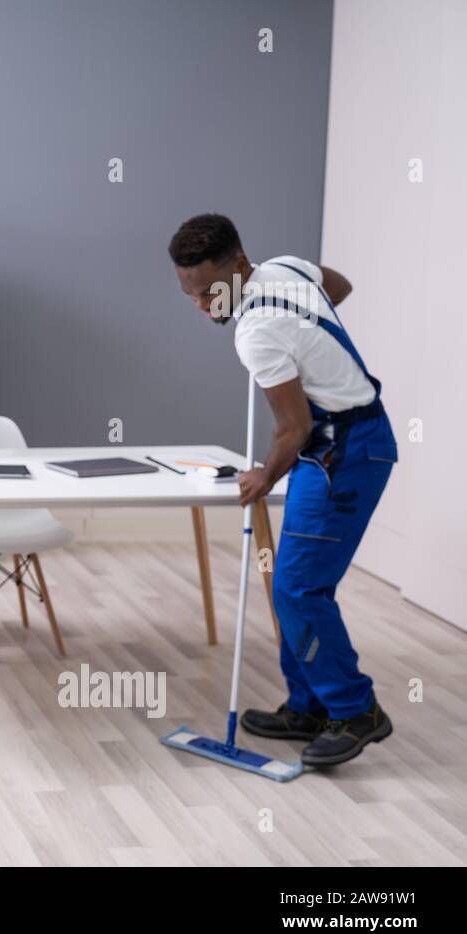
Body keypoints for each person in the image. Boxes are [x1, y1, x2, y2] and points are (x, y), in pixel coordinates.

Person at [169, 213, 396, 767]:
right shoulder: (285, 268)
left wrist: (262, 477)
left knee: (299, 589)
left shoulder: (256, 332)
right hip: (330, 444)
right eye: (190, 295)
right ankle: (309, 705)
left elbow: (291, 429)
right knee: (293, 583)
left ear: (241, 265)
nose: (203, 306)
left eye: (210, 292)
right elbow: (337, 286)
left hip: (348, 450)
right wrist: (311, 343)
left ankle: (355, 709)